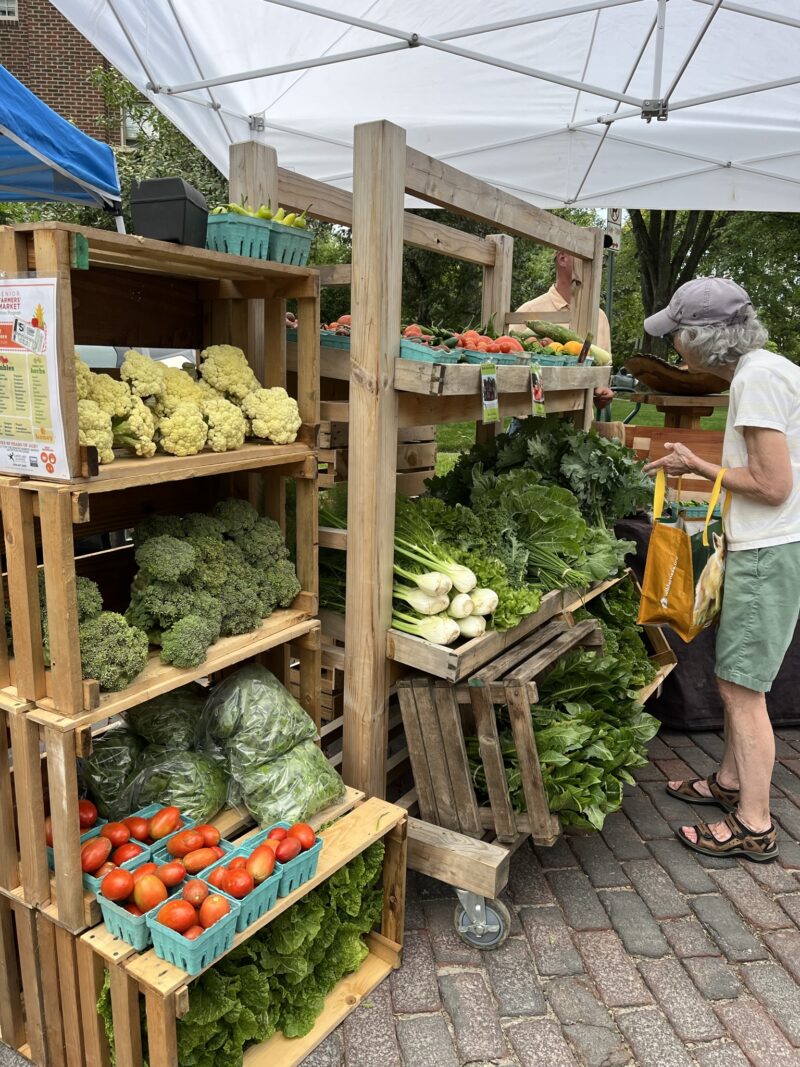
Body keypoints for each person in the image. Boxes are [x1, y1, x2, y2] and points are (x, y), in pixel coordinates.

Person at [643, 277, 800, 863]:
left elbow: (771, 485)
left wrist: (697, 465)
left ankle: (754, 825)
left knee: (742, 690)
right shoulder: (768, 367)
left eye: (678, 337)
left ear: (705, 339)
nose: (675, 349)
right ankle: (729, 783)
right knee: (737, 679)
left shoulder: (756, 380)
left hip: (768, 551)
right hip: (771, 545)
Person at [515, 250, 614, 410]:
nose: (597, 261)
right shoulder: (528, 312)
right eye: (586, 254)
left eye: (600, 257)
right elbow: (511, 370)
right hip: (532, 423)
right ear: (562, 258)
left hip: (580, 428)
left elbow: (603, 372)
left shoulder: (599, 317)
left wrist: (602, 392)